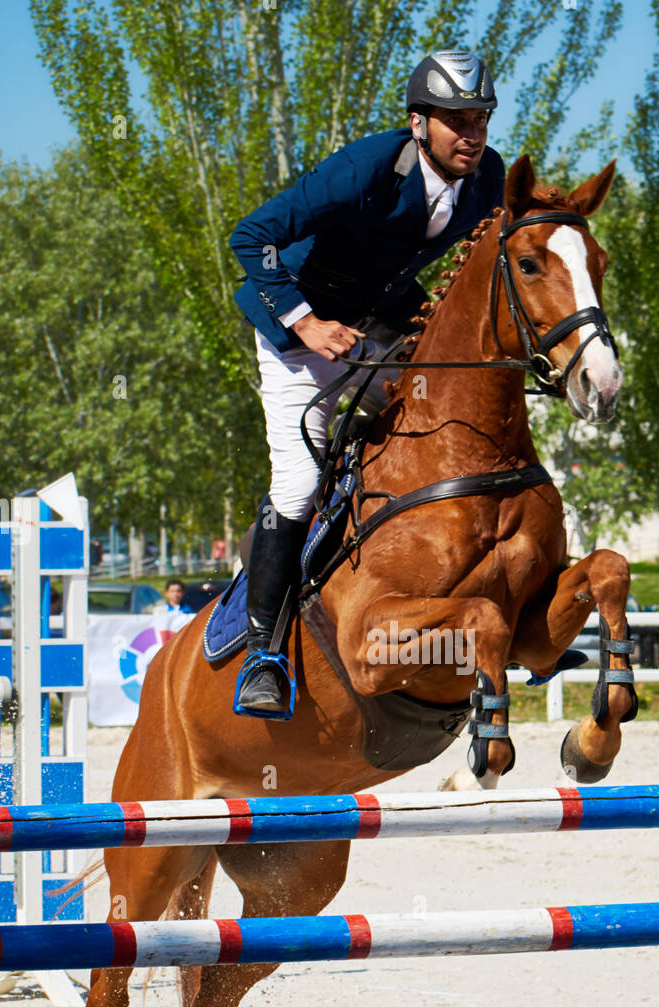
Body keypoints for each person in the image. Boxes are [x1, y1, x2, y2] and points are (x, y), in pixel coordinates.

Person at [227, 49, 507, 717]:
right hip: (297, 327)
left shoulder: (489, 177)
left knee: (446, 430)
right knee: (297, 486)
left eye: (481, 119)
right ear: (419, 123)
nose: (472, 134)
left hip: (380, 320)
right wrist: (308, 323)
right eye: (456, 120)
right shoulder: (367, 167)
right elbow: (251, 236)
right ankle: (263, 655)